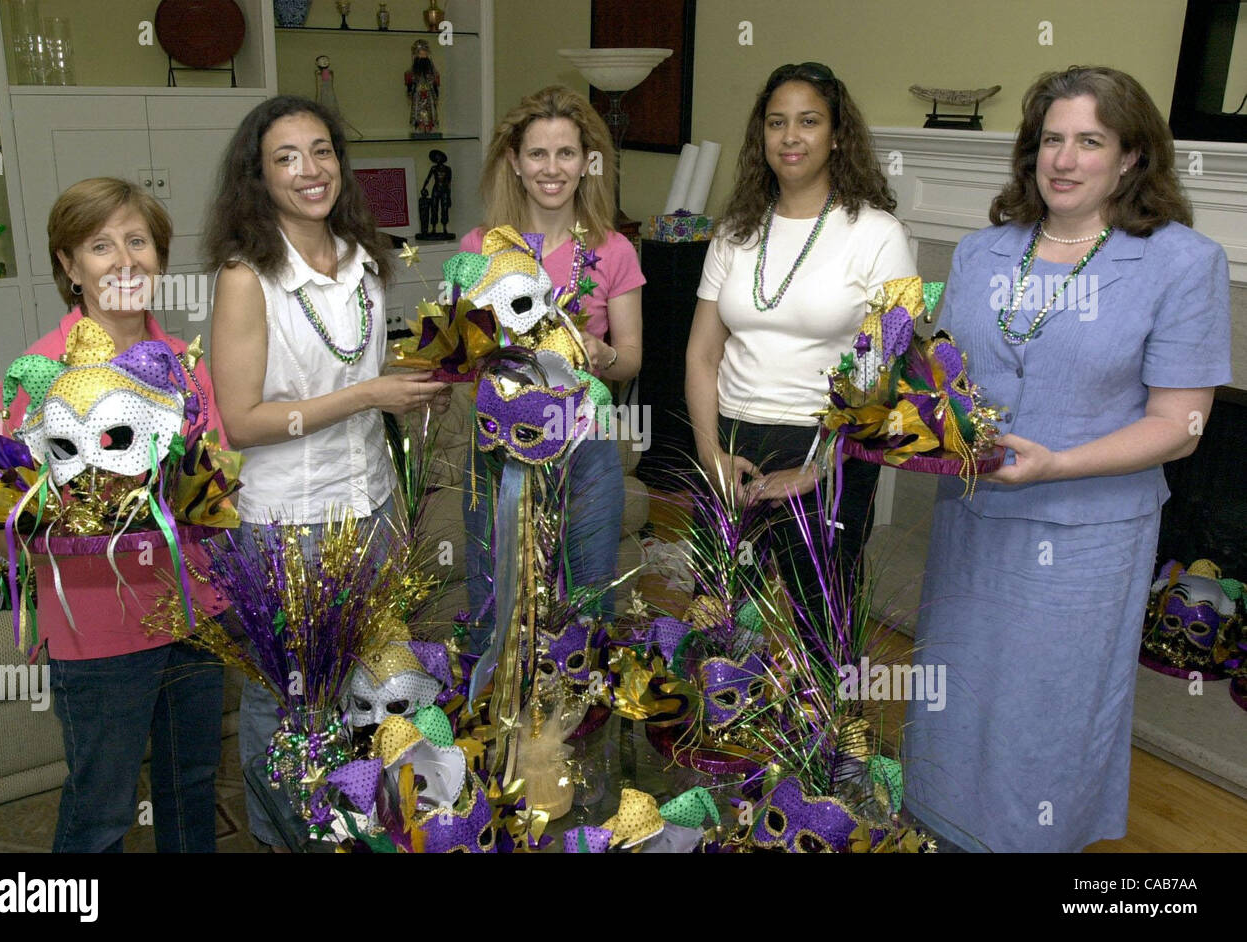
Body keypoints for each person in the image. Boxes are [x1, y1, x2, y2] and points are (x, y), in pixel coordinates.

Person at [902, 66, 1232, 852]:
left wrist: (1059, 463)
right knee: (957, 697)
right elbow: (944, 379)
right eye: (1053, 138)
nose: (1065, 158)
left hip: (1086, 539)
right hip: (975, 519)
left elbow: (1180, 423)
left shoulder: (1182, 263)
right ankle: (938, 828)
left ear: (1129, 158)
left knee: (1046, 715)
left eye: (1090, 141)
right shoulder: (984, 252)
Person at [204, 95, 447, 848]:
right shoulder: (248, 278)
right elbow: (241, 419)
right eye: (286, 157)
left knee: (362, 688)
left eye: (321, 151)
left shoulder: (365, 260)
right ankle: (285, 839)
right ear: (259, 175)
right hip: (287, 524)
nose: (310, 170)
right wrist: (368, 396)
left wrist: (420, 375)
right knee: (285, 702)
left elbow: (360, 372)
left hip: (369, 507)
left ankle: (342, 828)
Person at [0, 177, 227, 852]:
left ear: (159, 256)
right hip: (97, 626)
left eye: (138, 241)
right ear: (69, 266)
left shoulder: (186, 363)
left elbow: (218, 481)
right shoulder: (41, 371)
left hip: (193, 609)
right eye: (101, 245)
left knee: (192, 786)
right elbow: (23, 510)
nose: (124, 260)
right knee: (102, 809)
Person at [684, 62, 915, 606]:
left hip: (827, 446)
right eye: (776, 122)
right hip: (733, 440)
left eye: (808, 121)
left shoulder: (881, 234)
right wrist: (710, 453)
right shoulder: (733, 232)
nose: (790, 136)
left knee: (821, 621)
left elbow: (889, 367)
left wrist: (817, 468)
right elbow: (702, 353)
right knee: (718, 613)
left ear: (837, 137)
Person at [462, 85, 644, 651]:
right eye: (537, 154)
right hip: (499, 447)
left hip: (586, 444)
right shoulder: (481, 247)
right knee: (495, 597)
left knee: (588, 602)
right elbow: (460, 356)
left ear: (587, 162)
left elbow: (632, 359)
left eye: (566, 153)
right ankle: (497, 726)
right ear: (514, 162)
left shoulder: (613, 249)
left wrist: (600, 351)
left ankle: (578, 731)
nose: (551, 168)